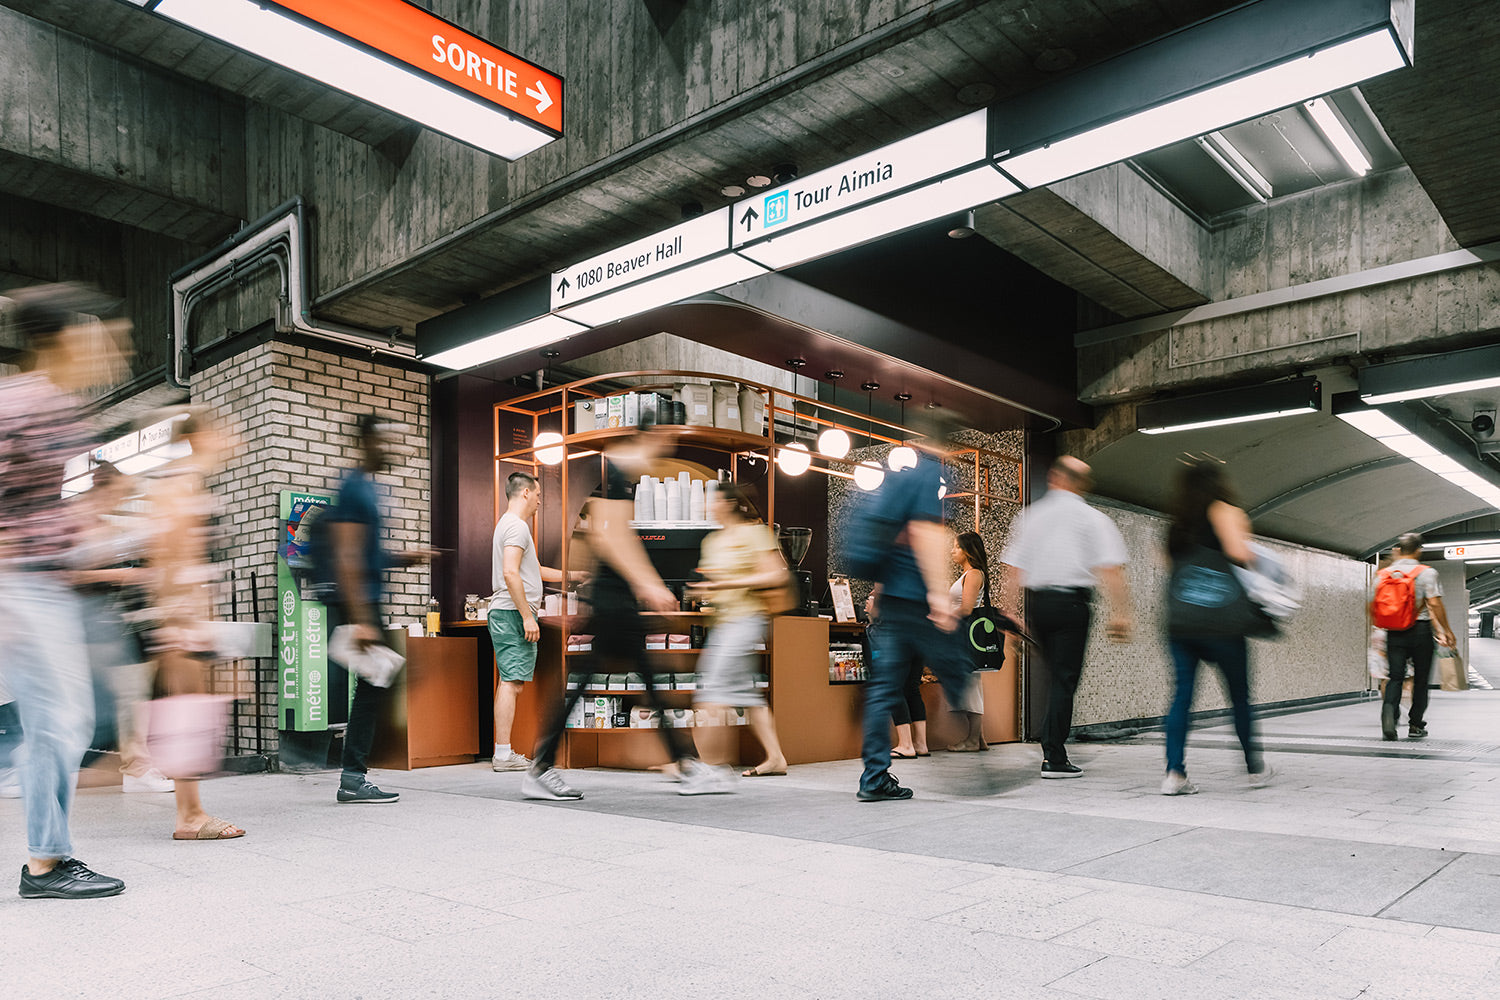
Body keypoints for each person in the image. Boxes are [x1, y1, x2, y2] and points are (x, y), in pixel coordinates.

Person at [0, 285, 128, 898]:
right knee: (56, 722)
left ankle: (49, 858)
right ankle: (46, 865)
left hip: (44, 583)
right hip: (19, 584)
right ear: (64, 338)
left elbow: (45, 507)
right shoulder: (20, 403)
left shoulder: (60, 406)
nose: (104, 346)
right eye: (94, 333)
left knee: (65, 722)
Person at [524, 420, 713, 799]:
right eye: (666, 441)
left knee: (644, 681)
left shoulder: (619, 474)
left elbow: (590, 533)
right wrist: (650, 584)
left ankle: (685, 762)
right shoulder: (619, 471)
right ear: (650, 436)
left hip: (614, 600)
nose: (667, 449)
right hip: (614, 603)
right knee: (620, 683)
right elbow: (612, 536)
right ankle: (541, 766)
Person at [856, 409, 972, 802]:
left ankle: (873, 778)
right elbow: (925, 534)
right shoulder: (929, 475)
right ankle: (973, 756)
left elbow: (888, 540)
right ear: (945, 445)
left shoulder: (896, 481)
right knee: (955, 667)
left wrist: (878, 597)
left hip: (891, 601)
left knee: (885, 689)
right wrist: (938, 597)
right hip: (913, 600)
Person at [141, 412, 246, 838]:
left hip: (187, 616)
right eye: (223, 430)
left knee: (190, 711)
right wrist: (181, 620)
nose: (231, 437)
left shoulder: (188, 482)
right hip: (181, 617)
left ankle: (192, 811)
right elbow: (168, 553)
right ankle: (190, 817)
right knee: (186, 711)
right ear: (200, 437)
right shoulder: (180, 483)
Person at [327, 413, 435, 803]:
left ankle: (353, 775)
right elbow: (347, 556)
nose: (394, 448)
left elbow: (367, 554)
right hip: (361, 604)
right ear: (368, 442)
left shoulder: (368, 490)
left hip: (367, 601)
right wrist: (361, 620)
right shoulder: (354, 488)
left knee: (378, 682)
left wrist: (406, 558)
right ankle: (353, 777)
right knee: (378, 682)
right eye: (387, 440)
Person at [1000, 456, 1130, 779]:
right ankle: (1053, 756)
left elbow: (1014, 569)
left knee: (1054, 676)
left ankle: (1052, 746)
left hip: (1038, 605)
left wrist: (1010, 614)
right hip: (1072, 606)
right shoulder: (1092, 518)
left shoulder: (1030, 517)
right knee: (1063, 679)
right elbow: (1110, 569)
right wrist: (1121, 613)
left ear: (1056, 478)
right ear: (1081, 484)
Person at [1159, 459, 1272, 795]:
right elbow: (1240, 553)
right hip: (1222, 621)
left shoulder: (1176, 524)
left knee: (1181, 697)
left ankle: (1174, 774)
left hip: (1181, 621)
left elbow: (1168, 566)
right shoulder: (1225, 511)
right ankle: (1253, 768)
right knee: (1239, 697)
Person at [689, 484, 790, 782]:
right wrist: (706, 589)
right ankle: (776, 758)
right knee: (749, 696)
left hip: (746, 620)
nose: (708, 506)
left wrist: (725, 585)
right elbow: (715, 582)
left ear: (729, 502)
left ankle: (707, 766)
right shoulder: (711, 541)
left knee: (709, 690)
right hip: (724, 624)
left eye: (713, 500)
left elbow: (774, 574)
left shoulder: (754, 533)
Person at [488, 471, 568, 772]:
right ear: (525, 493)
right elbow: (510, 573)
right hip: (512, 612)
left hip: (509, 611)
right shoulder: (517, 527)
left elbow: (532, 569)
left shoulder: (509, 526)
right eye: (537, 495)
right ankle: (503, 754)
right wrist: (526, 616)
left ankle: (504, 752)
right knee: (510, 682)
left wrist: (572, 578)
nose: (539, 501)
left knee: (511, 681)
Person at [1375, 532, 1456, 741]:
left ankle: (1390, 714)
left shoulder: (1384, 574)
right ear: (1419, 550)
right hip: (1420, 630)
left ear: (1400, 550)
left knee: (1395, 676)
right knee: (1420, 679)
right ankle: (1415, 724)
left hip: (1394, 632)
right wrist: (1446, 630)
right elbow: (1435, 604)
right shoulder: (1427, 573)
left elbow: (1371, 606)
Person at [946, 530, 990, 753]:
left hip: (965, 636)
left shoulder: (973, 574)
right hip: (962, 635)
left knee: (971, 687)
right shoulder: (967, 574)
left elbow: (966, 608)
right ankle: (979, 739)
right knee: (971, 685)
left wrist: (944, 617)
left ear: (967, 550)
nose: (952, 551)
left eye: (956, 547)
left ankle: (972, 740)